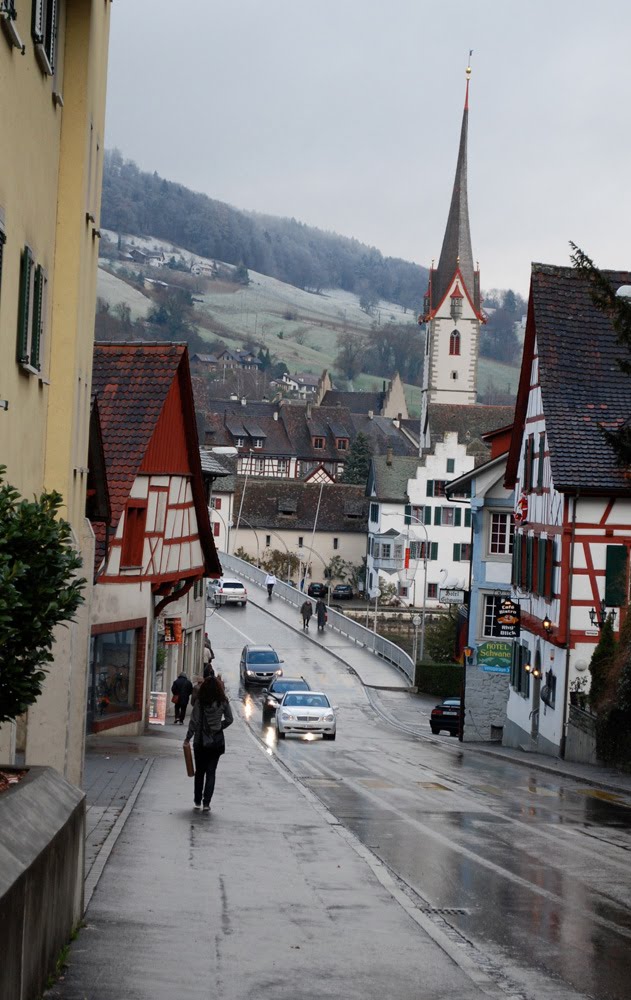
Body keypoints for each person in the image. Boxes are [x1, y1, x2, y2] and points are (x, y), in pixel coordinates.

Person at [184, 674, 233, 812]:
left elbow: (194, 721)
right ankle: (207, 803)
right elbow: (230, 719)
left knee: (200, 772)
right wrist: (219, 727)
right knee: (211, 772)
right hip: (216, 742)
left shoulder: (200, 701)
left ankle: (197, 800)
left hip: (200, 742)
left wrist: (188, 738)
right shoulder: (223, 701)